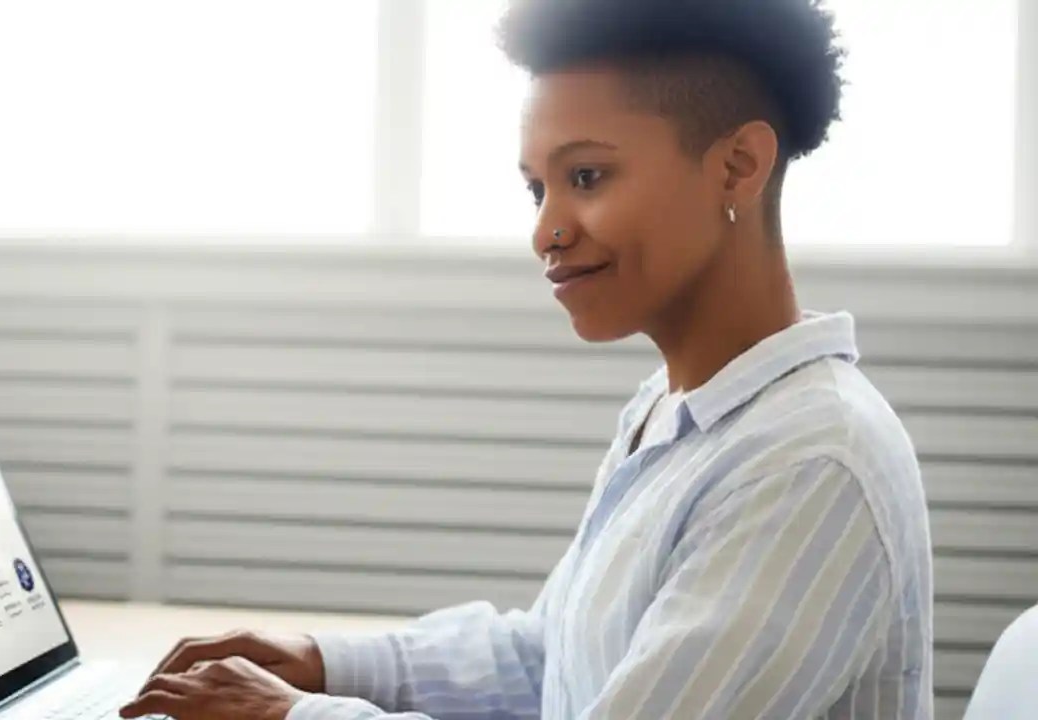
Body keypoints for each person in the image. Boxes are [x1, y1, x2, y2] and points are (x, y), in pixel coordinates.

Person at [120, 0, 933, 717]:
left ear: (737, 165)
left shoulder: (810, 463)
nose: (546, 229)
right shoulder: (675, 409)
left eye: (586, 175)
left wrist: (292, 718)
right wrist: (322, 662)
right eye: (535, 189)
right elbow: (546, 661)